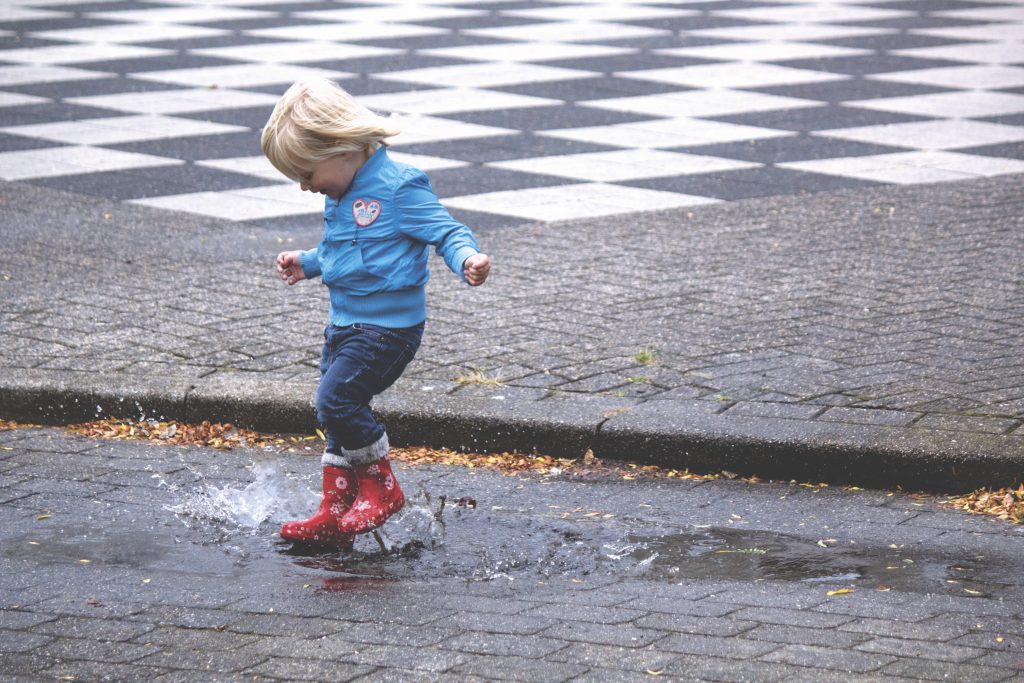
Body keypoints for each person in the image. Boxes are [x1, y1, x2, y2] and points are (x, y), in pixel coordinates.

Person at [261, 77, 491, 548]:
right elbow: (343, 250)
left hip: (388, 329)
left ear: (344, 149)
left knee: (335, 401)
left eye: (307, 173)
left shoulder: (399, 187)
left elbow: (447, 231)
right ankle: (336, 507)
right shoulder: (340, 193)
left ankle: (382, 489)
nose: (305, 186)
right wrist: (307, 263)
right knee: (337, 413)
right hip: (344, 324)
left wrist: (467, 258)